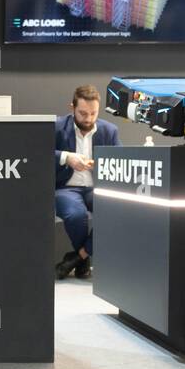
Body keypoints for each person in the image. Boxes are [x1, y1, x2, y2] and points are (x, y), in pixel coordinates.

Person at [54, 84, 118, 279]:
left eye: (93, 113)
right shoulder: (57, 127)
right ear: (71, 107)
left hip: (96, 187)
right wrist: (67, 157)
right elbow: (38, 152)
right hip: (66, 188)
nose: (88, 119)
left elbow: (120, 159)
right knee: (75, 215)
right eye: (82, 113)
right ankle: (84, 258)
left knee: (115, 213)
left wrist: (103, 163)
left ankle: (78, 257)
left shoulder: (110, 130)